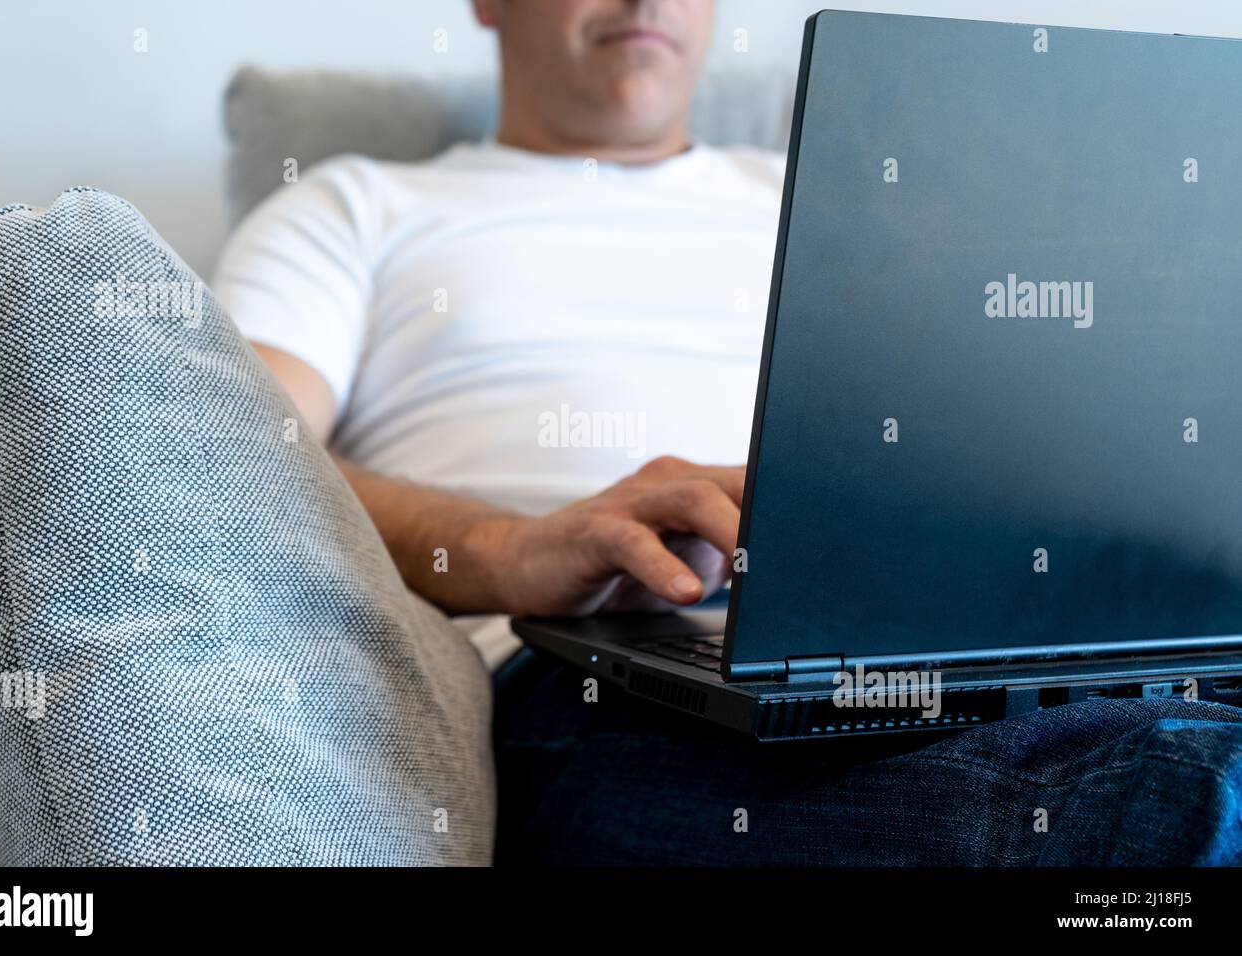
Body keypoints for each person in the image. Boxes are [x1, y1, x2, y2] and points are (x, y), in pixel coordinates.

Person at [213, 0, 1242, 865]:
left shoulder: (853, 198)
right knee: (1169, 792)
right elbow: (230, 446)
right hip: (589, 673)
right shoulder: (353, 209)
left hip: (916, 636)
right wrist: (504, 546)